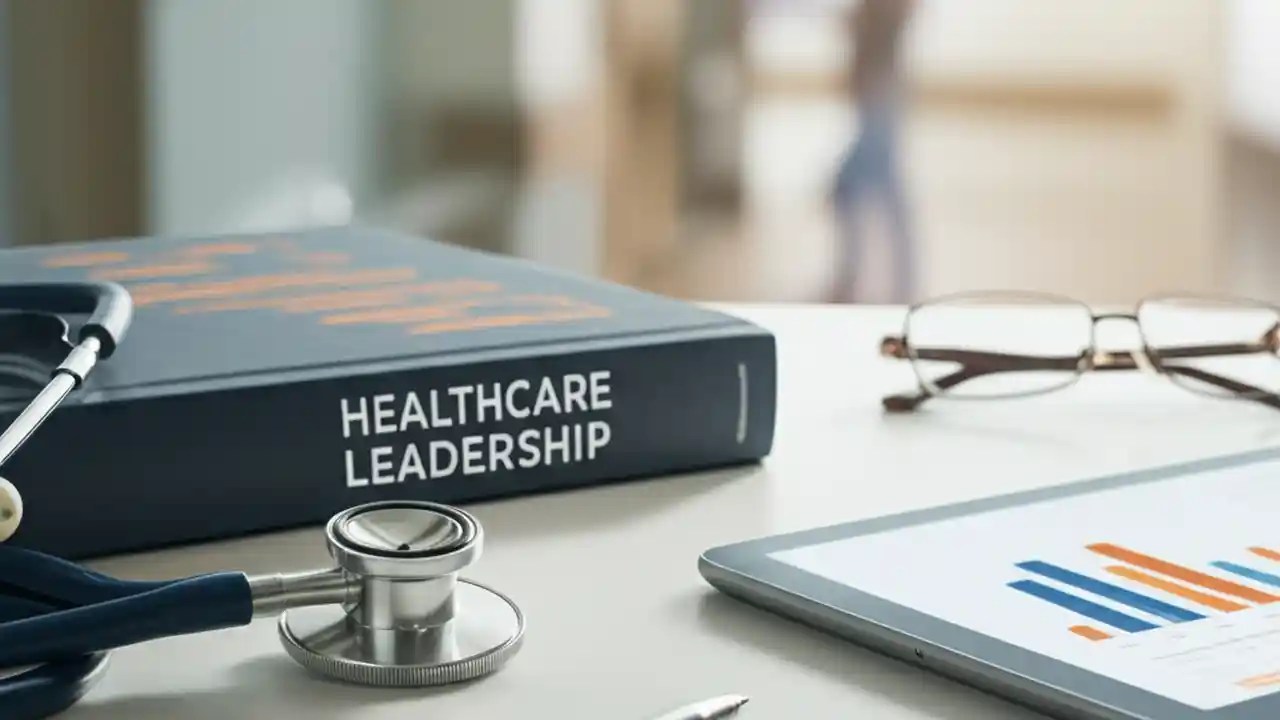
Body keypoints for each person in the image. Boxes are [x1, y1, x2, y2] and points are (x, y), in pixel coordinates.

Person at [829, 0, 917, 304]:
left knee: (852, 188)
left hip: (880, 92)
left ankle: (851, 279)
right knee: (878, 193)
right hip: (878, 91)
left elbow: (880, 28)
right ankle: (854, 277)